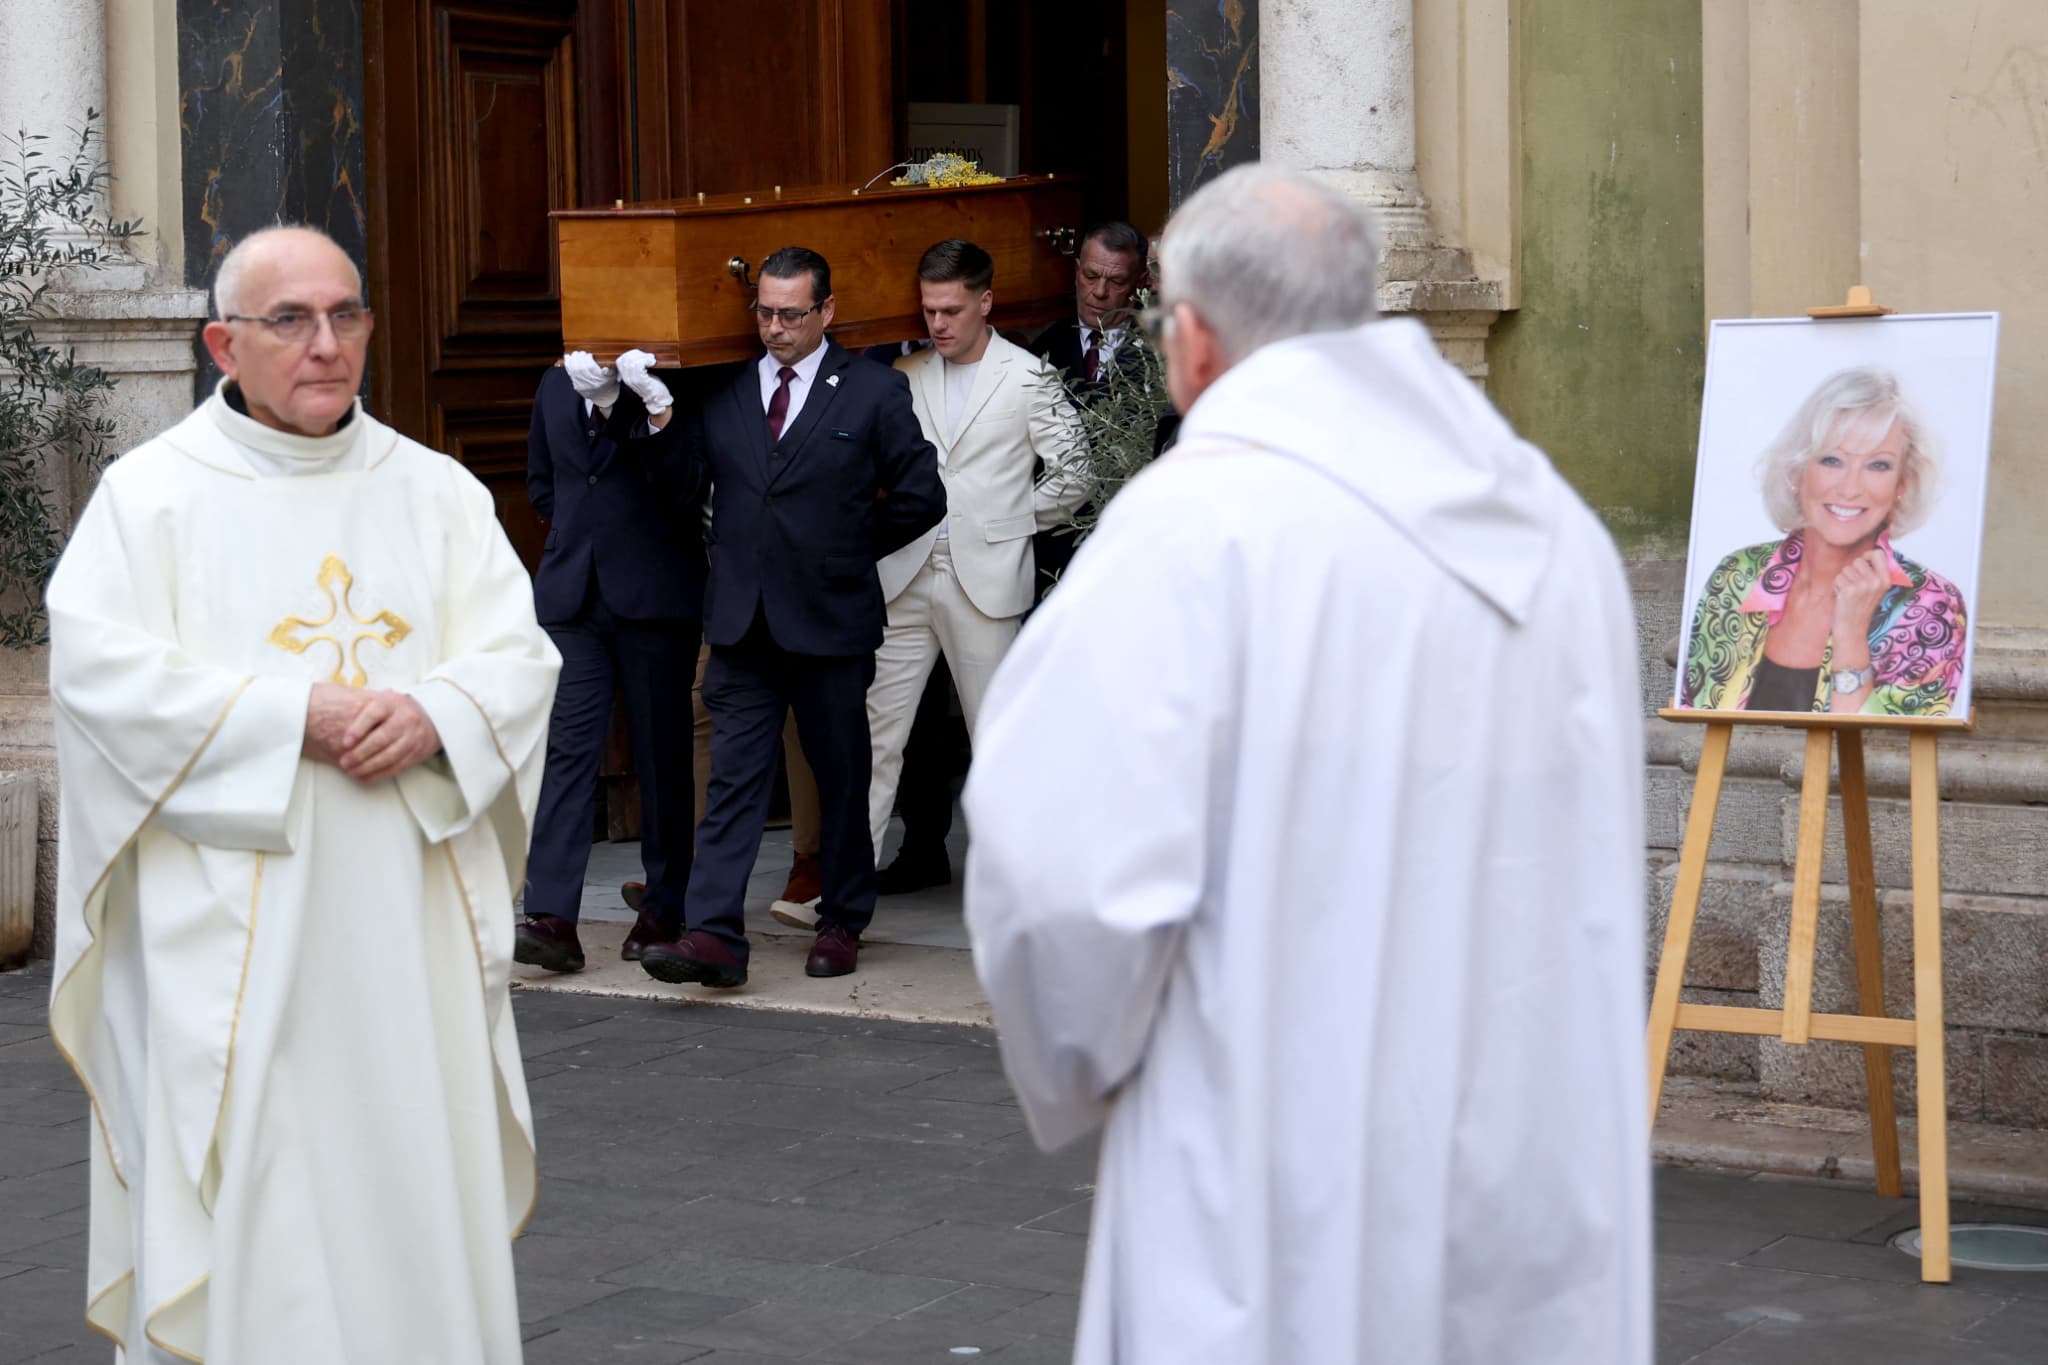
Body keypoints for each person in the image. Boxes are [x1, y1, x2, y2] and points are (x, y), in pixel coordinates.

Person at [963, 165, 1651, 1363]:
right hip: (1512, 1154)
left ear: (1187, 340)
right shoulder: (1550, 533)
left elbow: (1060, 877)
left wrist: (1078, 1064)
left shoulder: (1192, 530)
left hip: (1266, 1148)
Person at [46, 225, 560, 1362]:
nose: (327, 346)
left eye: (347, 316)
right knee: (265, 1196)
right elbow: (98, 679)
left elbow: (518, 661)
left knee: (408, 1172)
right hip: (233, 945)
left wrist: (439, 713)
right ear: (222, 344)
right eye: (291, 322)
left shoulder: (436, 493)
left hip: (404, 932)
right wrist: (293, 717)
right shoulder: (150, 501)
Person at [638, 246, 944, 987]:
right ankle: (713, 934)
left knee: (840, 774)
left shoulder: (872, 392)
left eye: (790, 314)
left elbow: (921, 498)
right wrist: (658, 417)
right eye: (765, 312)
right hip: (742, 622)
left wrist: (845, 550)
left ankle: (842, 917)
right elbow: (683, 491)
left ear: (826, 312)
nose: (774, 328)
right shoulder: (729, 391)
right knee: (737, 779)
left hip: (831, 619)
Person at [773, 239, 1082, 932]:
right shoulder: (903, 375)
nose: (938, 322)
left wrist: (1009, 520)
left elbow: (1076, 474)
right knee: (872, 735)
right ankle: (841, 890)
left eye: (950, 309)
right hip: (904, 573)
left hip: (988, 577)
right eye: (928, 310)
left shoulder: (1029, 377)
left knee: (999, 738)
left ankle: (1026, 891)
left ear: (985, 302)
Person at [518, 348, 703, 973]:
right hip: (573, 597)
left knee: (660, 752)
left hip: (653, 593)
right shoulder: (553, 381)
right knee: (568, 750)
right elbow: (543, 480)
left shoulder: (665, 385)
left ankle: (664, 906)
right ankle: (551, 915)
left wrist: (639, 405)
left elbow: (685, 484)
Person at [1681, 365, 1967, 715]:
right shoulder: (1737, 577)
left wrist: (1850, 632)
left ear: (1902, 484)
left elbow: (1880, 757)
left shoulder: (1931, 609)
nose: (1849, 488)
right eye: (1832, 460)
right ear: (1798, 470)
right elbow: (1697, 729)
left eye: (1878, 465)